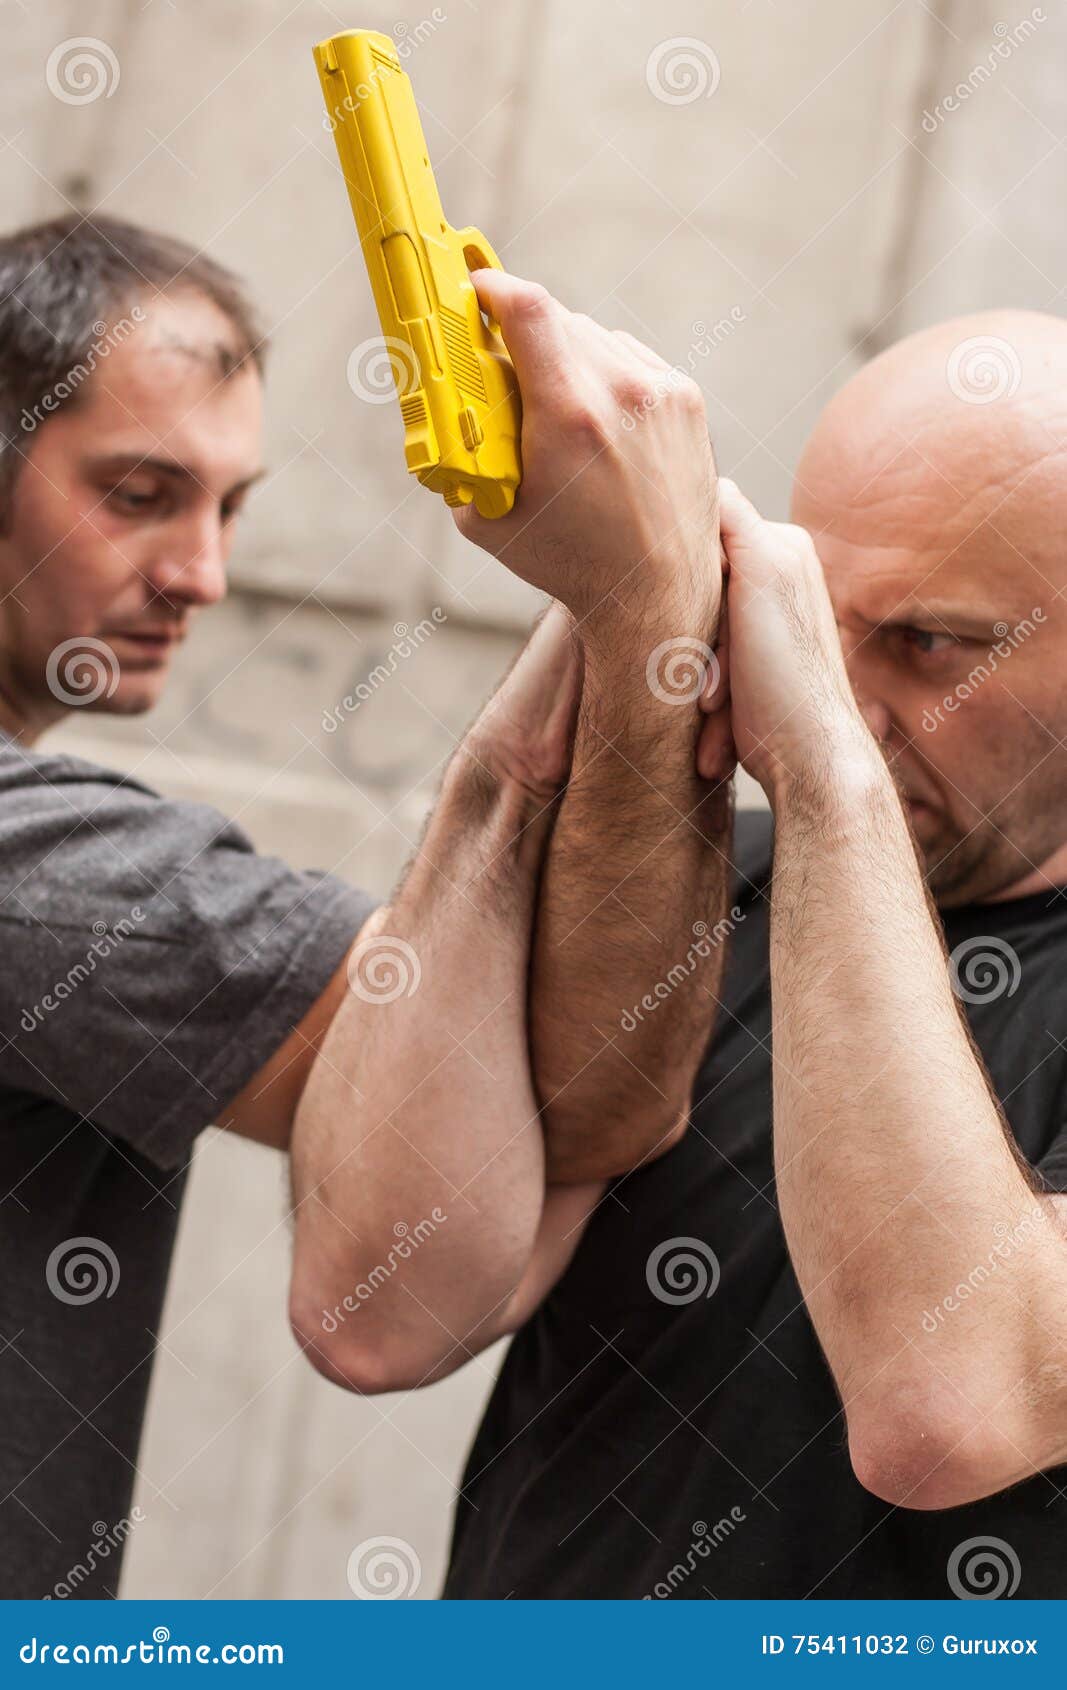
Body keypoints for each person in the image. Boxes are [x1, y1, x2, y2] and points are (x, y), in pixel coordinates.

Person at [0, 216, 725, 1597]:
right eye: (140, 492)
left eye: (229, 505)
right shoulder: (44, 877)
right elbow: (510, 1105)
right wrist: (639, 609)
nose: (201, 571)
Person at [421, 289, 1067, 1598]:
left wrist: (825, 767)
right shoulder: (713, 883)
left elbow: (948, 1405)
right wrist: (621, 616)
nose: (832, 683)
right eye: (814, 614)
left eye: (926, 643)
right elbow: (389, 1308)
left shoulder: (814, 798)